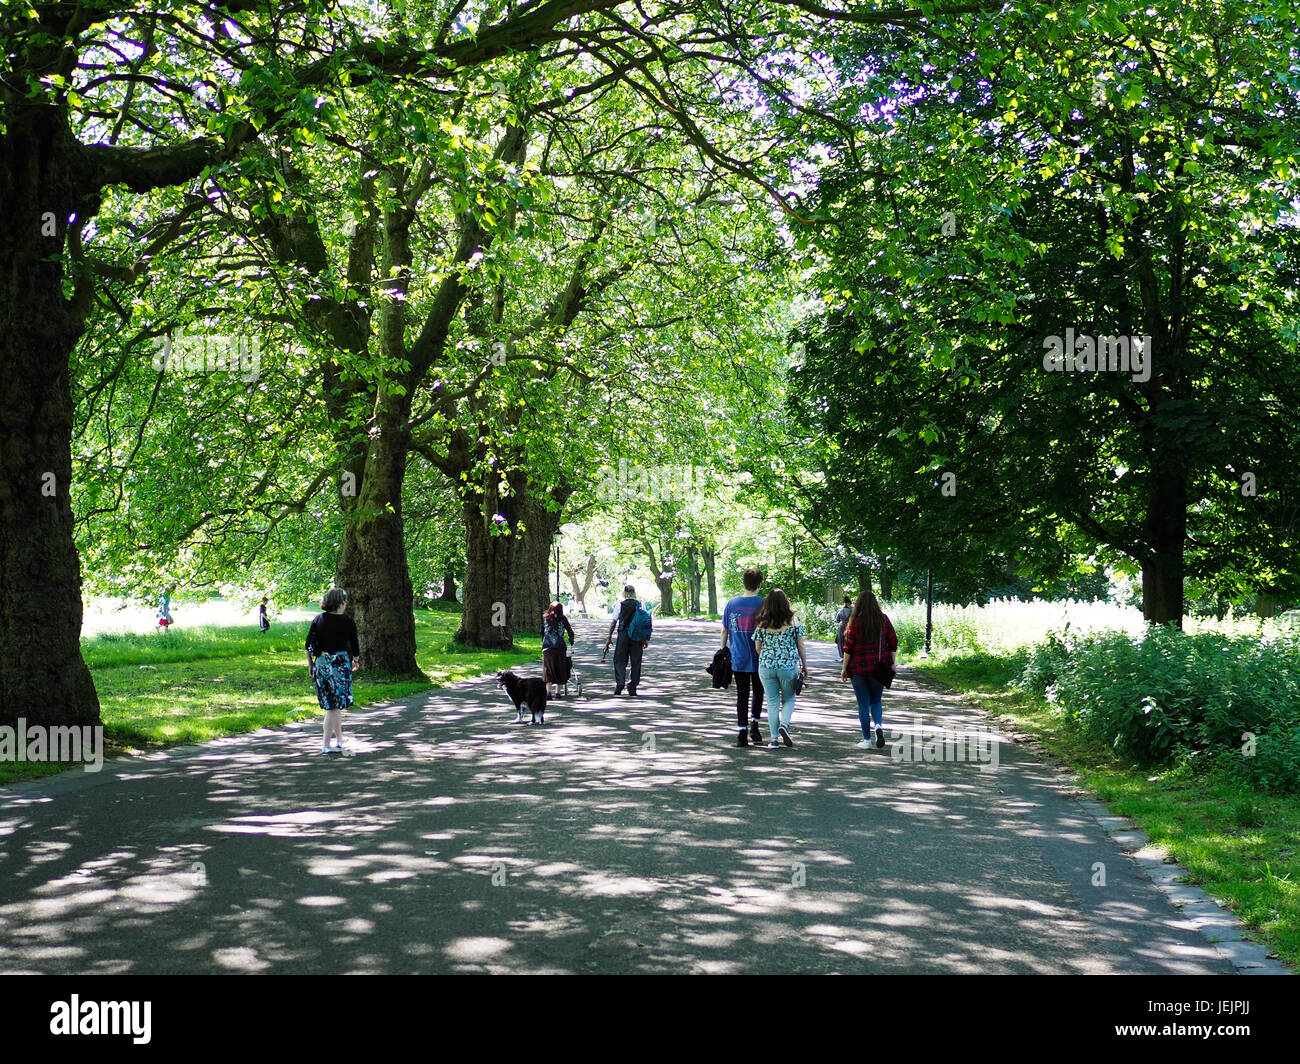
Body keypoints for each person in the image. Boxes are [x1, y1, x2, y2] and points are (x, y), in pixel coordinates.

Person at [840, 589, 898, 750]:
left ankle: (866, 739)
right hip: (879, 668)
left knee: (863, 704)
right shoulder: (883, 620)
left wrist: (844, 668)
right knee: (876, 701)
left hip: (858, 668)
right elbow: (893, 642)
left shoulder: (855, 622)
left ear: (858, 604)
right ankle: (878, 726)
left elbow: (848, 648)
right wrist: (892, 663)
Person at [305, 588, 360, 756]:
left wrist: (311, 665)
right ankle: (326, 744)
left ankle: (339, 740)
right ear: (340, 602)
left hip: (321, 663)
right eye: (345, 600)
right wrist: (356, 660)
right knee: (333, 707)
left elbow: (308, 645)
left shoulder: (318, 619)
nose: (346, 602)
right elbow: (355, 645)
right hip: (340, 664)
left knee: (334, 705)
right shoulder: (348, 622)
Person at [752, 588, 808, 748]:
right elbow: (801, 645)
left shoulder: (762, 622)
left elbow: (757, 647)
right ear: (785, 602)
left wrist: (768, 657)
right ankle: (784, 724)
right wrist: (804, 665)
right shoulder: (793, 621)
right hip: (788, 666)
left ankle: (774, 739)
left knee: (772, 702)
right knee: (789, 698)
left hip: (766, 666)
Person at [720, 567, 766, 747]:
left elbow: (725, 630)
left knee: (742, 694)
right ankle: (755, 726)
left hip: (738, 657)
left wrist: (722, 650)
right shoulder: (763, 604)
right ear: (759, 584)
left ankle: (742, 732)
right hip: (760, 656)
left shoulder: (731, 604)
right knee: (758, 691)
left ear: (743, 583)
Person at [606, 584, 648, 696]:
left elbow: (614, 622)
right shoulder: (640, 605)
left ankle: (620, 684)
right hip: (637, 636)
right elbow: (644, 622)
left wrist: (609, 637)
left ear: (624, 593)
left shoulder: (619, 605)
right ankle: (632, 686)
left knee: (619, 660)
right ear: (634, 593)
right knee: (636, 662)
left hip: (623, 635)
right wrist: (645, 638)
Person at [542, 601, 576, 698]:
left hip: (547, 647)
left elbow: (542, 631)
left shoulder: (545, 617)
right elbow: (570, 631)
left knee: (548, 669)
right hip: (560, 647)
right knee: (560, 668)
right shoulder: (563, 619)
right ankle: (558, 692)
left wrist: (543, 642)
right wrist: (571, 640)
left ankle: (548, 693)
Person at [834, 594, 852, 659]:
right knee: (848, 641)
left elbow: (837, 620)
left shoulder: (840, 611)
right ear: (849, 603)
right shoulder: (852, 611)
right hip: (850, 627)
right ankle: (848, 656)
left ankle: (842, 656)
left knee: (841, 641)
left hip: (841, 627)